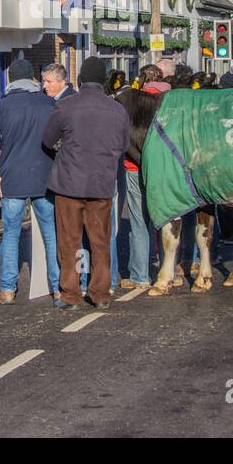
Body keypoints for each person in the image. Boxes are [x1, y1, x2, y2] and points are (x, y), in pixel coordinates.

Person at [41, 56, 128, 311]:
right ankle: (100, 293)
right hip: (101, 183)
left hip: (69, 183)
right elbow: (123, 145)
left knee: (70, 241)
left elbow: (48, 140)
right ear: (103, 80)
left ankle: (70, 294)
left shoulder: (66, 106)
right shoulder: (117, 109)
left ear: (80, 79)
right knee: (100, 240)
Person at [0, 59, 60, 304]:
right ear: (33, 79)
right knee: (51, 234)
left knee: (11, 234)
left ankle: (7, 289)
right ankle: (58, 287)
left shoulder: (0, 108)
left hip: (12, 177)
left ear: (11, 80)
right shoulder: (49, 104)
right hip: (44, 177)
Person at [117, 64, 164, 289]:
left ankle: (140, 275)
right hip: (165, 167)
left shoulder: (132, 100)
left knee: (139, 220)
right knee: (166, 217)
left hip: (134, 166)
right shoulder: (171, 99)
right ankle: (168, 269)